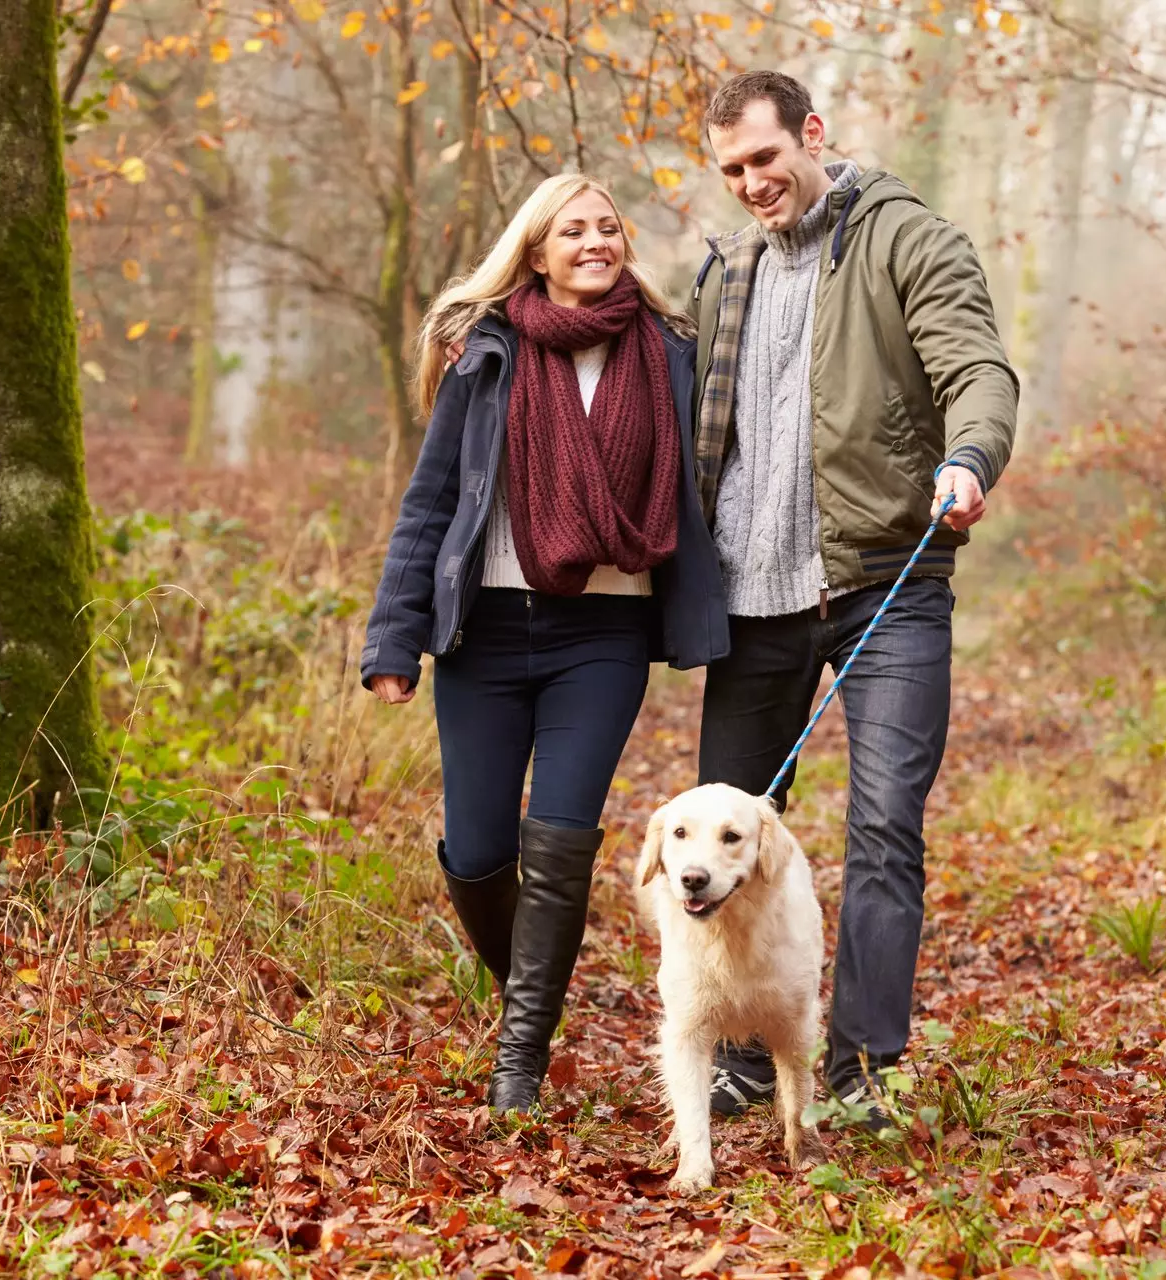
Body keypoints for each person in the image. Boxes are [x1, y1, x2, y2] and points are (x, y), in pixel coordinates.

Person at [688, 71, 1019, 1121]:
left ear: (812, 135)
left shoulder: (909, 243)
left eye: (764, 157)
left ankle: (864, 1072)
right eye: (732, 169)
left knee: (884, 827)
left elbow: (978, 369)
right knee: (720, 847)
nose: (751, 182)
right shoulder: (722, 273)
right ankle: (744, 1057)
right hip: (753, 600)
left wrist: (969, 457)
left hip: (888, 582)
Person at [359, 174, 728, 1115]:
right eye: (574, 231)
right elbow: (432, 501)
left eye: (609, 228)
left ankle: (520, 1060)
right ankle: (532, 985)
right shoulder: (487, 354)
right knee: (478, 850)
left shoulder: (670, 353)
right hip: (484, 634)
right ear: (537, 252)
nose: (596, 242)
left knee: (559, 841)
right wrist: (394, 637)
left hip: (601, 637)